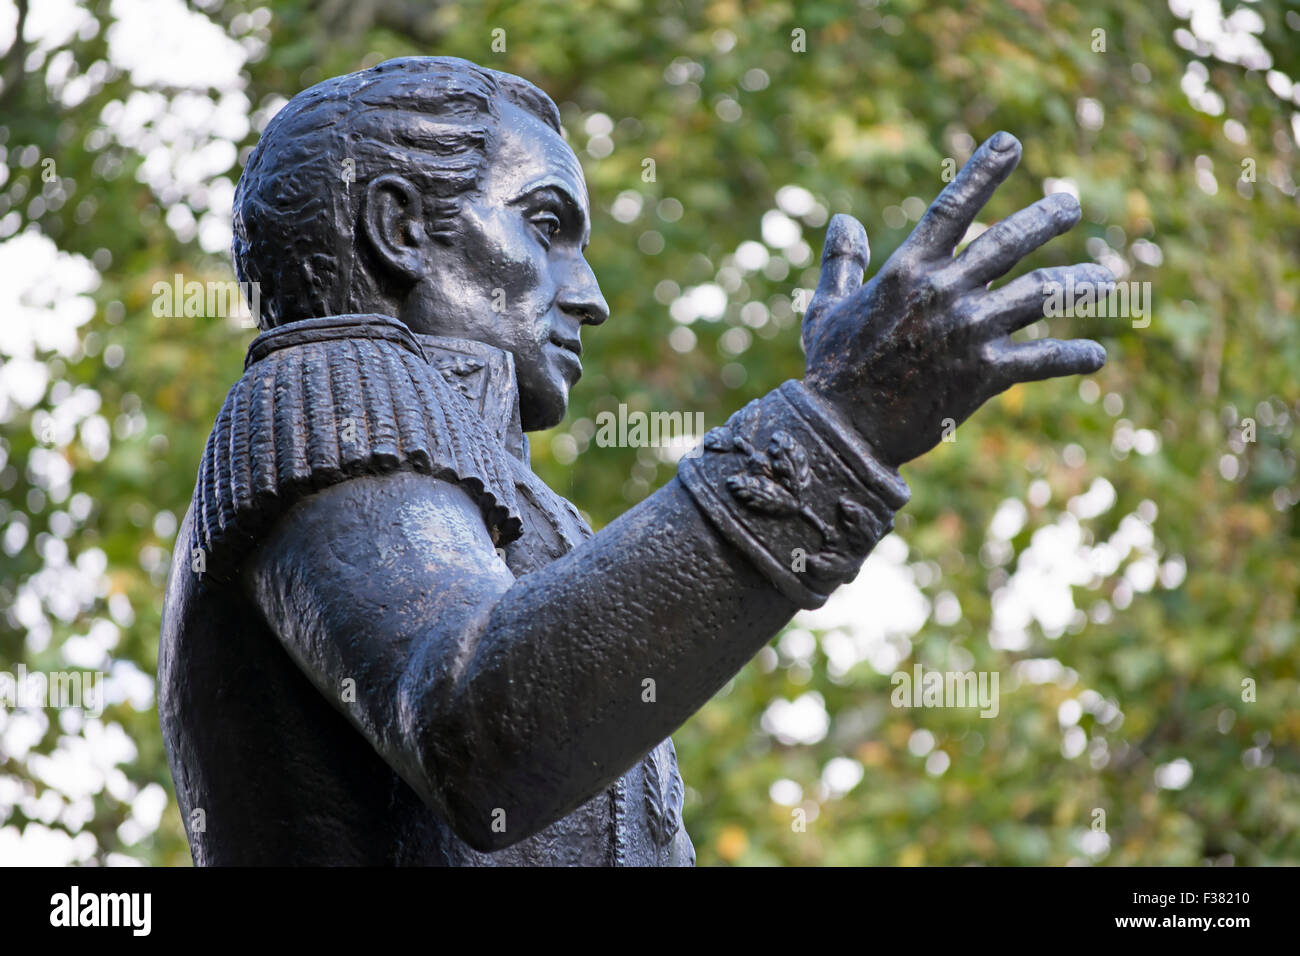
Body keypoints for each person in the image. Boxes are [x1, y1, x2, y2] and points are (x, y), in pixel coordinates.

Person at [159, 56, 1110, 865]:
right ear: (400, 227)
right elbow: (475, 732)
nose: (592, 296)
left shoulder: (521, 515)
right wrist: (838, 423)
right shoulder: (324, 388)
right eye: (546, 225)